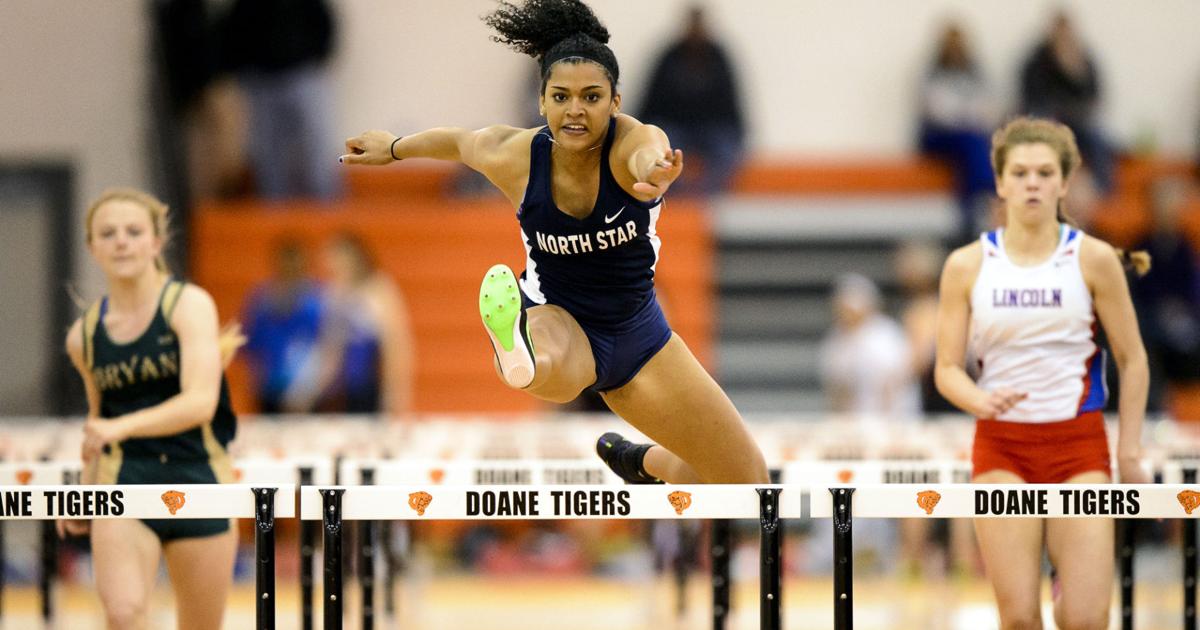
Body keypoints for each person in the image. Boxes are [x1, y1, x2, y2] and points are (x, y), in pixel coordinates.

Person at [340, 0, 766, 485]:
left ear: (616, 102)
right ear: (541, 102)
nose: (576, 110)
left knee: (748, 478)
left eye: (591, 96)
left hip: (642, 337)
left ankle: (640, 462)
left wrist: (657, 173)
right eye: (561, 97)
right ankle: (516, 348)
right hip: (560, 317)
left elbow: (648, 155)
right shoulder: (515, 155)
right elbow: (458, 142)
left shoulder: (632, 142)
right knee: (552, 372)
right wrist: (394, 148)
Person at [935, 117, 1150, 629]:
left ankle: (1068, 588)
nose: (1033, 182)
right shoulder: (967, 265)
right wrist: (977, 400)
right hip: (1002, 448)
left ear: (1063, 182)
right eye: (1022, 172)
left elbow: (1134, 359)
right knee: (1019, 620)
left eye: (1045, 172)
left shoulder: (1093, 259)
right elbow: (946, 368)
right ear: (1002, 182)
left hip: (1078, 448)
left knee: (1086, 618)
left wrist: (1131, 453)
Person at [63, 188, 241, 630]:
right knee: (123, 614)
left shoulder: (189, 305)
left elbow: (200, 402)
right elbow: (97, 421)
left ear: (155, 244)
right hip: (126, 480)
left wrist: (121, 427)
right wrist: (84, 492)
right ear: (92, 248)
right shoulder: (82, 336)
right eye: (108, 233)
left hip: (199, 475)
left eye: (133, 231)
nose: (121, 241)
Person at [284, 233, 414, 416]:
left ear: (353, 257)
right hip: (342, 389)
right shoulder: (333, 293)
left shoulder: (379, 289)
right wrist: (305, 390)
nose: (330, 265)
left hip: (370, 383)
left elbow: (396, 345)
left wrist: (395, 393)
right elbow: (330, 347)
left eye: (335, 258)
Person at [637, 5, 745, 196]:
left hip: (713, 128)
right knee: (661, 148)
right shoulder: (669, 57)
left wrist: (738, 133)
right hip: (676, 127)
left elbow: (732, 104)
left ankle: (705, 197)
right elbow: (651, 101)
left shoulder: (719, 58)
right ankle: (676, 196)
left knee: (726, 150)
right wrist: (639, 133)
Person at [917, 21, 998, 244]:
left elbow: (988, 107)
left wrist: (968, 114)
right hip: (938, 136)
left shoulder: (975, 73)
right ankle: (986, 193)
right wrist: (965, 115)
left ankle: (971, 210)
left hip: (967, 137)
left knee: (976, 146)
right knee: (972, 143)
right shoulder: (932, 73)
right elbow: (937, 112)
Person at [1019, 12, 1114, 193]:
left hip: (1077, 120)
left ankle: (1103, 192)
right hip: (1048, 118)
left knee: (1099, 139)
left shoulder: (1082, 60)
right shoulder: (1037, 60)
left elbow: (1093, 96)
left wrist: (1072, 73)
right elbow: (1031, 96)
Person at [819, 273, 920, 420]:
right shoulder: (835, 341)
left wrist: (887, 418)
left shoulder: (885, 334)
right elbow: (836, 390)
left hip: (891, 417)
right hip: (856, 418)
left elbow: (895, 379)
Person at [241, 237, 326, 413]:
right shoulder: (262, 297)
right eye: (286, 262)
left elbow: (325, 343)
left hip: (307, 385)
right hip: (270, 384)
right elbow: (250, 341)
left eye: (294, 262)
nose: (290, 268)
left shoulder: (317, 298)